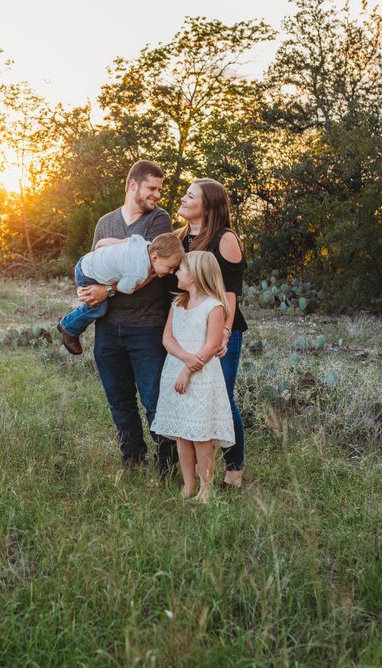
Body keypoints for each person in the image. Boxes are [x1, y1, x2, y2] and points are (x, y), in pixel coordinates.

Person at [76, 160, 178, 470]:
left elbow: (151, 270)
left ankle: (168, 465)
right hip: (108, 327)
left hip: (147, 326)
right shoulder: (105, 222)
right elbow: (96, 264)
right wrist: (88, 291)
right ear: (133, 185)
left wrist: (106, 292)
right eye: (152, 188)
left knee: (153, 399)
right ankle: (133, 459)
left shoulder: (158, 220)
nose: (157, 195)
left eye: (159, 190)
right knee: (119, 399)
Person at [175, 179, 248, 488]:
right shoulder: (179, 238)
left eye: (191, 196)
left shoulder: (224, 238)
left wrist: (225, 331)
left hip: (220, 329)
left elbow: (230, 292)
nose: (183, 198)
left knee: (221, 397)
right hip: (188, 331)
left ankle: (234, 468)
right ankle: (195, 471)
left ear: (208, 206)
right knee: (191, 396)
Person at [150, 251, 235, 503]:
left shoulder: (214, 307)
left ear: (195, 276)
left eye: (181, 269)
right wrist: (184, 359)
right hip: (175, 371)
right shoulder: (177, 303)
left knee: (200, 434)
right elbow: (167, 338)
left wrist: (189, 368)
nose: (176, 273)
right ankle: (188, 484)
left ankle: (206, 488)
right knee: (182, 432)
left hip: (200, 376)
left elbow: (211, 345)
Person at [57, 233, 184, 355]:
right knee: (98, 308)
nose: (172, 272)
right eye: (170, 267)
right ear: (155, 257)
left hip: (87, 260)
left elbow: (116, 242)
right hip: (89, 274)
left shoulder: (142, 243)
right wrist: (146, 280)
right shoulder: (138, 273)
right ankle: (69, 327)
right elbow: (124, 288)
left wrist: (103, 251)